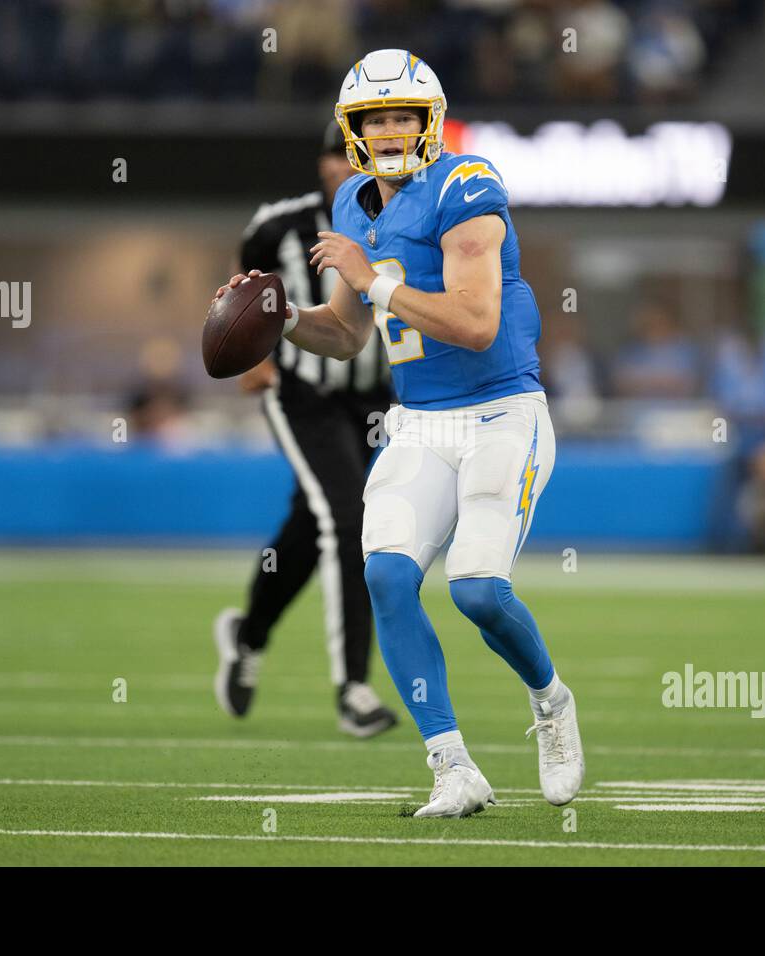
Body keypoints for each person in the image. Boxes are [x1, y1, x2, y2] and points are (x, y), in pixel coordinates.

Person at [213, 48, 584, 818]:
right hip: (417, 421)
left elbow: (478, 324)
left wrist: (375, 277)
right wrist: (280, 319)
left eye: (400, 118)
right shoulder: (353, 203)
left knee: (478, 591)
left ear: (429, 122)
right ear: (353, 130)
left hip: (501, 413)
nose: (387, 132)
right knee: (385, 575)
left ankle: (550, 702)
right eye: (373, 119)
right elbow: (347, 336)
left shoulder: (467, 184)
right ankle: (451, 765)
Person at [213, 120, 399, 739]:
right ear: (324, 164)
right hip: (301, 391)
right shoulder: (281, 225)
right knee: (348, 518)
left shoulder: (403, 216)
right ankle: (354, 687)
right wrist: (255, 357)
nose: (352, 163)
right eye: (341, 153)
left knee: (313, 520)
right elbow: (241, 284)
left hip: (374, 397)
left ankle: (249, 632)